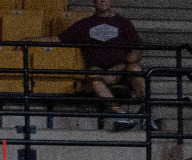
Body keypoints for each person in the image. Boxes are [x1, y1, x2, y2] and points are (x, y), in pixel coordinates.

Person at [56, 0, 152, 131]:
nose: (103, 0)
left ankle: (147, 114)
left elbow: (137, 51)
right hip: (100, 72)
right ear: (93, 2)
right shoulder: (84, 24)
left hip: (123, 71)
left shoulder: (124, 23)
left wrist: (121, 66)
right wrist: (28, 40)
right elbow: (57, 39)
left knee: (135, 68)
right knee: (93, 73)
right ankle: (121, 114)